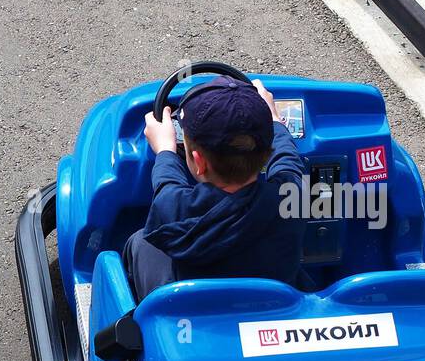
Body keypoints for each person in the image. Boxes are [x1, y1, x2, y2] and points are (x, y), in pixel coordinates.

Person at [123, 77, 306, 301]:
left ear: (199, 162)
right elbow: (288, 162)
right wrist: (276, 123)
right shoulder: (291, 200)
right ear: (268, 155)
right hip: (268, 307)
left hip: (189, 311)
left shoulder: (173, 211)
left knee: (140, 241)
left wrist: (165, 150)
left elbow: (167, 184)